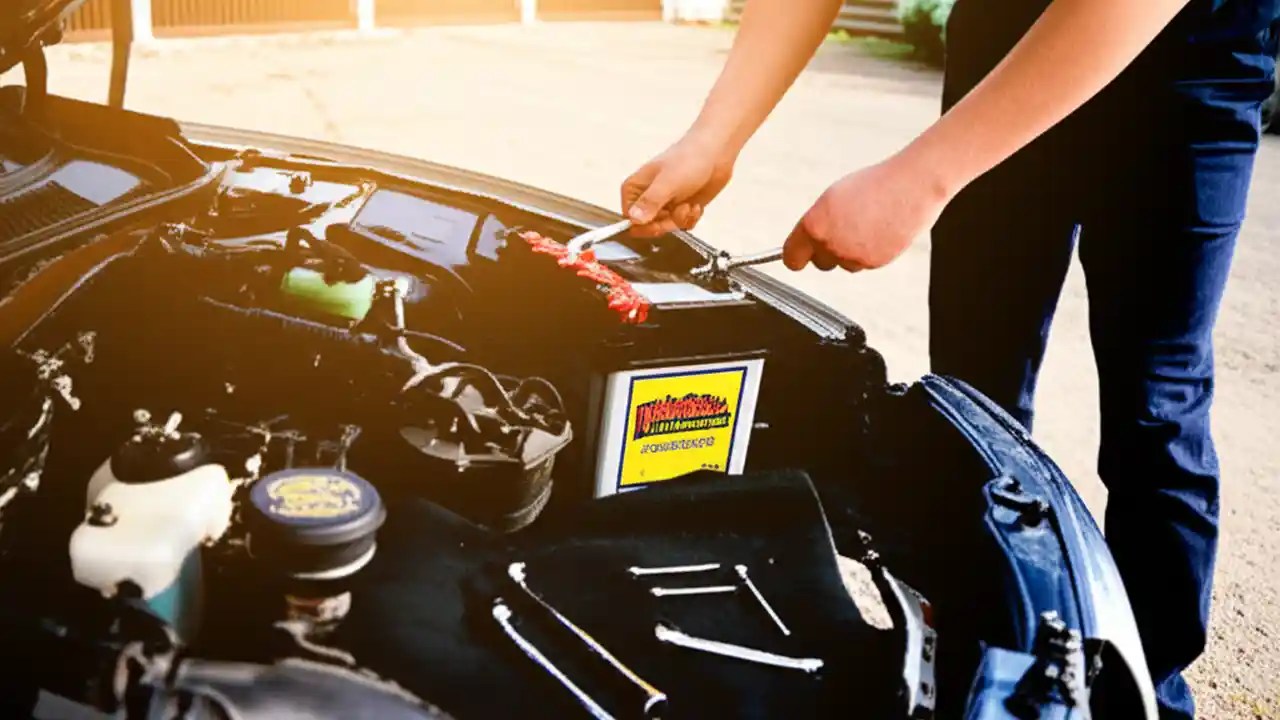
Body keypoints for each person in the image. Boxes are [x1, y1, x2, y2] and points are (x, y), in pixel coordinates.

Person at [619, 0, 1279, 717]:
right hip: (1003, 36)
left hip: (1187, 66)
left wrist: (922, 176)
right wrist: (714, 138)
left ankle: (1148, 694)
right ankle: (972, 666)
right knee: (973, 407)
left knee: (1159, 415)